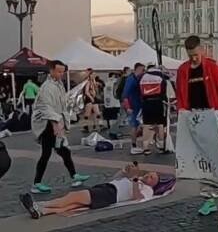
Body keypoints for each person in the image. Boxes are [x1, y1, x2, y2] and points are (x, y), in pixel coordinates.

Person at [30, 61, 89, 194]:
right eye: (59, 71)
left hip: (55, 123)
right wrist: (55, 124)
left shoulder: (58, 84)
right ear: (51, 71)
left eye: (62, 72)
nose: (61, 74)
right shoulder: (47, 87)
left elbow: (61, 103)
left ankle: (74, 176)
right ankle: (36, 183)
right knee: (47, 153)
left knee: (63, 151)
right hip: (47, 125)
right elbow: (46, 107)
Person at [20, 164, 160, 218]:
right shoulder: (139, 179)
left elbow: (138, 198)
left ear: (154, 183)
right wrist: (124, 171)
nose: (148, 175)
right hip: (109, 189)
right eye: (149, 173)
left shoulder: (148, 189)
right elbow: (114, 179)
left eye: (152, 177)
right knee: (75, 205)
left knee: (73, 196)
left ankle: (40, 204)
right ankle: (42, 211)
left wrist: (135, 180)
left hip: (111, 194)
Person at [176, 35, 218, 112]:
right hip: (190, 113)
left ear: (201, 50)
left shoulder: (212, 67)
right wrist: (181, 109)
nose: (194, 59)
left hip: (211, 112)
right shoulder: (182, 70)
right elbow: (179, 94)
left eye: (196, 55)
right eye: (190, 56)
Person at [138, 66, 169, 155]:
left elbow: (140, 91)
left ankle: (145, 147)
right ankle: (161, 146)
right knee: (160, 125)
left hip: (146, 103)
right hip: (158, 103)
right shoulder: (160, 77)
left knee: (147, 125)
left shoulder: (142, 77)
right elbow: (164, 91)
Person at [123, 63, 145, 155]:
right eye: (143, 70)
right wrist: (127, 107)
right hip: (133, 106)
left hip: (138, 105)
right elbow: (125, 95)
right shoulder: (131, 79)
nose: (144, 72)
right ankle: (134, 145)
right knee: (134, 125)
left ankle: (135, 143)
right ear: (138, 69)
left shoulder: (137, 79)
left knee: (137, 125)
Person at [80, 69, 101, 133]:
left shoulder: (93, 82)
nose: (94, 75)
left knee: (97, 113)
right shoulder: (88, 82)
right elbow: (86, 92)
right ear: (90, 75)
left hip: (94, 99)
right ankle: (86, 126)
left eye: (94, 74)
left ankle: (96, 125)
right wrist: (91, 97)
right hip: (89, 99)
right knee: (87, 114)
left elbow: (95, 90)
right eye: (93, 74)